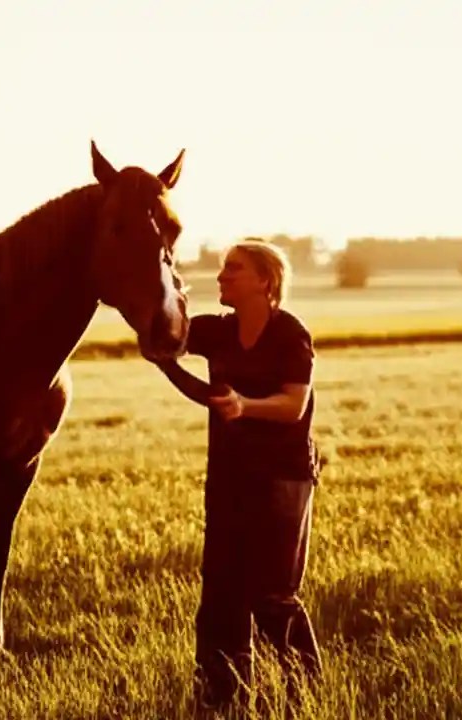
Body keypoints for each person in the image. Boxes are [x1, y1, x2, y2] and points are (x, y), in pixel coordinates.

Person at [156, 239, 323, 711]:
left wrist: (245, 406)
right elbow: (167, 333)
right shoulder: (217, 331)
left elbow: (294, 405)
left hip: (282, 479)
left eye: (234, 268)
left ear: (265, 281)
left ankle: (304, 698)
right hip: (228, 476)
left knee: (273, 596)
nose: (222, 275)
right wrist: (160, 288)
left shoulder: (291, 334)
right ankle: (221, 695)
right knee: (221, 593)